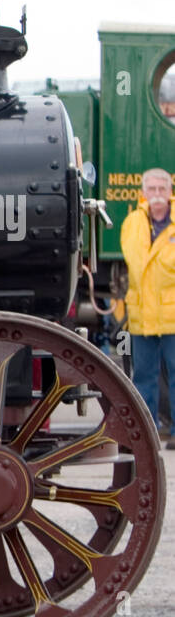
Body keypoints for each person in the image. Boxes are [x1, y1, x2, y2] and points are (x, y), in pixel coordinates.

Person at [119, 167, 175, 446]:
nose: (156, 196)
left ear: (169, 192)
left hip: (172, 314)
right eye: (151, 190)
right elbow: (135, 261)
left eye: (161, 190)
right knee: (143, 376)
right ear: (143, 193)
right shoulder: (132, 223)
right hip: (142, 313)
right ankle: (148, 434)